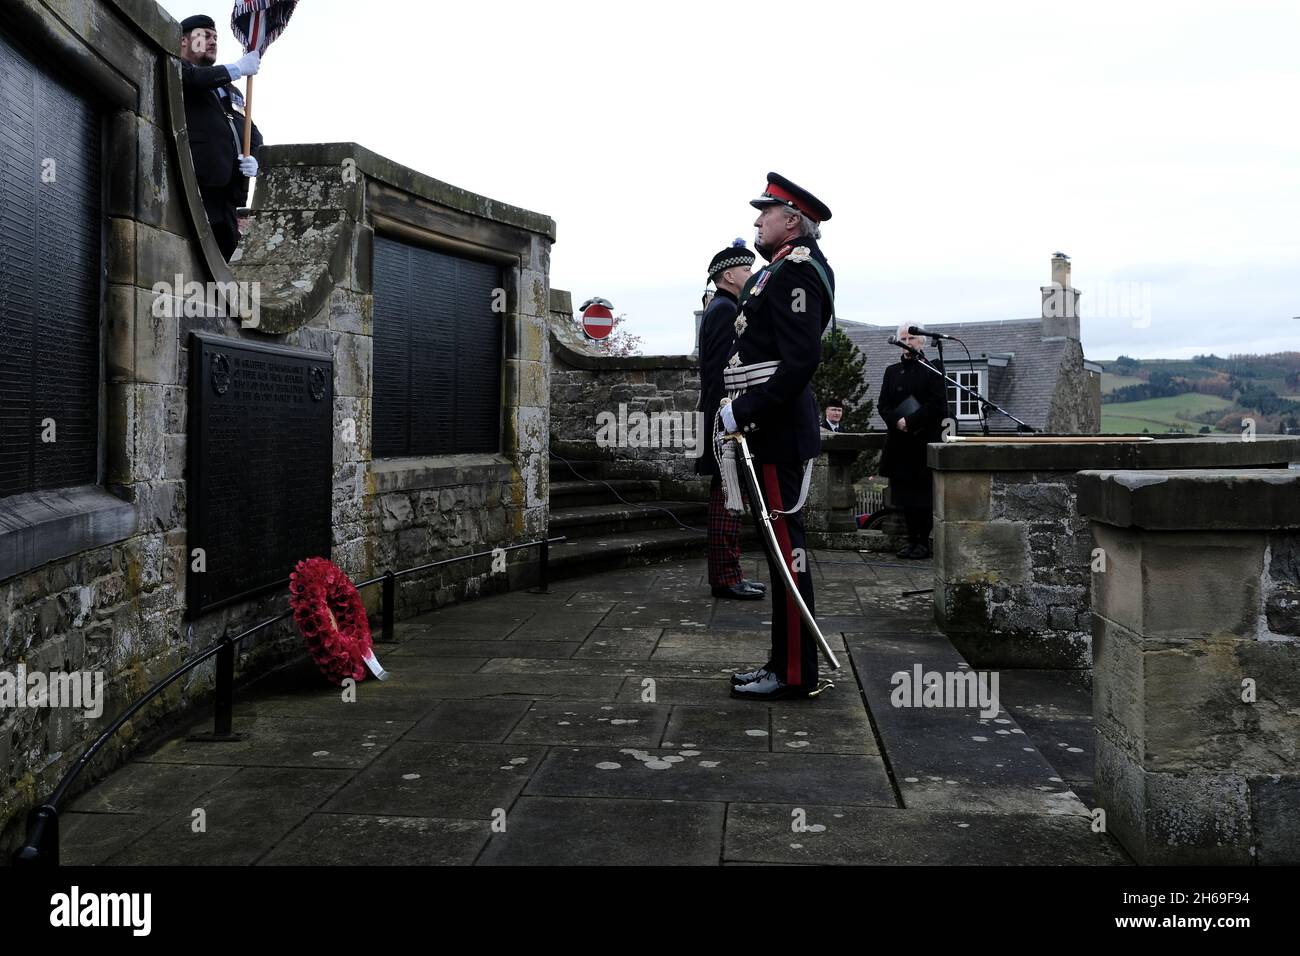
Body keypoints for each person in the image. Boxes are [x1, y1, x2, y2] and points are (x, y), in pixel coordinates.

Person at [720, 173, 834, 701]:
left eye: (765, 212)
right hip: (766, 430)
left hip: (776, 431)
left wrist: (742, 409)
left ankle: (794, 673)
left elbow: (800, 359)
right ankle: (782, 661)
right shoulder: (778, 271)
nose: (757, 221)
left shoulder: (797, 271)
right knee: (780, 554)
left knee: (789, 557)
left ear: (791, 219)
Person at [698, 240, 766, 600]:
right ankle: (726, 577)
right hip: (726, 418)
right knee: (728, 496)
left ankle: (728, 573)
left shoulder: (722, 306)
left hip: (722, 416)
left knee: (728, 495)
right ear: (728, 275)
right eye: (745, 270)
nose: (750, 275)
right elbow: (727, 371)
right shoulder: (725, 310)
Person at [179, 14, 264, 260]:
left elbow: (253, 132)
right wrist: (236, 69)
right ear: (184, 41)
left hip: (230, 195)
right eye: (205, 36)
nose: (213, 41)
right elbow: (193, 80)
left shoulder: (230, 89)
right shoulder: (178, 68)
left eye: (215, 37)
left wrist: (255, 160)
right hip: (199, 186)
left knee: (228, 272)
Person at [877, 325, 947, 558]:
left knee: (922, 497)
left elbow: (938, 404)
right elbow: (883, 404)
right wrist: (898, 421)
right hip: (900, 442)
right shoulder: (892, 371)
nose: (907, 341)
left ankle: (923, 543)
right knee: (905, 497)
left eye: (912, 338)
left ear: (922, 342)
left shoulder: (932, 368)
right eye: (903, 338)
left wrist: (911, 420)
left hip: (922, 441)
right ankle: (911, 540)